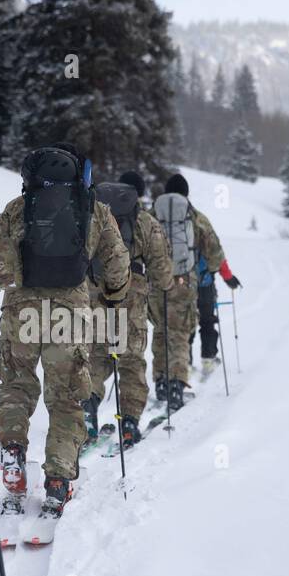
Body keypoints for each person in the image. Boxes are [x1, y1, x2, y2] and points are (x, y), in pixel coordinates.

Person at [0, 144, 130, 520]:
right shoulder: (95, 210)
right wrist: (115, 297)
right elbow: (117, 263)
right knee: (67, 397)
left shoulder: (17, 209)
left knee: (16, 385)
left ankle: (14, 452)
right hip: (69, 313)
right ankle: (57, 479)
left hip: (21, 311)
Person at [84, 170, 173, 449]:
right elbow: (160, 269)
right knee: (132, 359)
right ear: (138, 194)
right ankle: (130, 423)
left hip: (95, 291)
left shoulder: (95, 214)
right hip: (132, 295)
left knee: (98, 356)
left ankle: (88, 411)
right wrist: (166, 284)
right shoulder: (145, 221)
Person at [148, 173, 241, 408]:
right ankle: (177, 386)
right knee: (180, 333)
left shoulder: (151, 215)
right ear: (186, 194)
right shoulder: (195, 217)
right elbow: (215, 253)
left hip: (157, 283)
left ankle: (160, 383)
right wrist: (222, 275)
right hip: (184, 282)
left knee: (161, 330)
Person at [191, 216, 241, 376]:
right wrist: (229, 278)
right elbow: (216, 254)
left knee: (183, 324)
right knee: (207, 322)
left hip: (179, 284)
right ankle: (208, 359)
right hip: (204, 284)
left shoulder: (163, 217)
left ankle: (184, 363)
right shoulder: (200, 221)